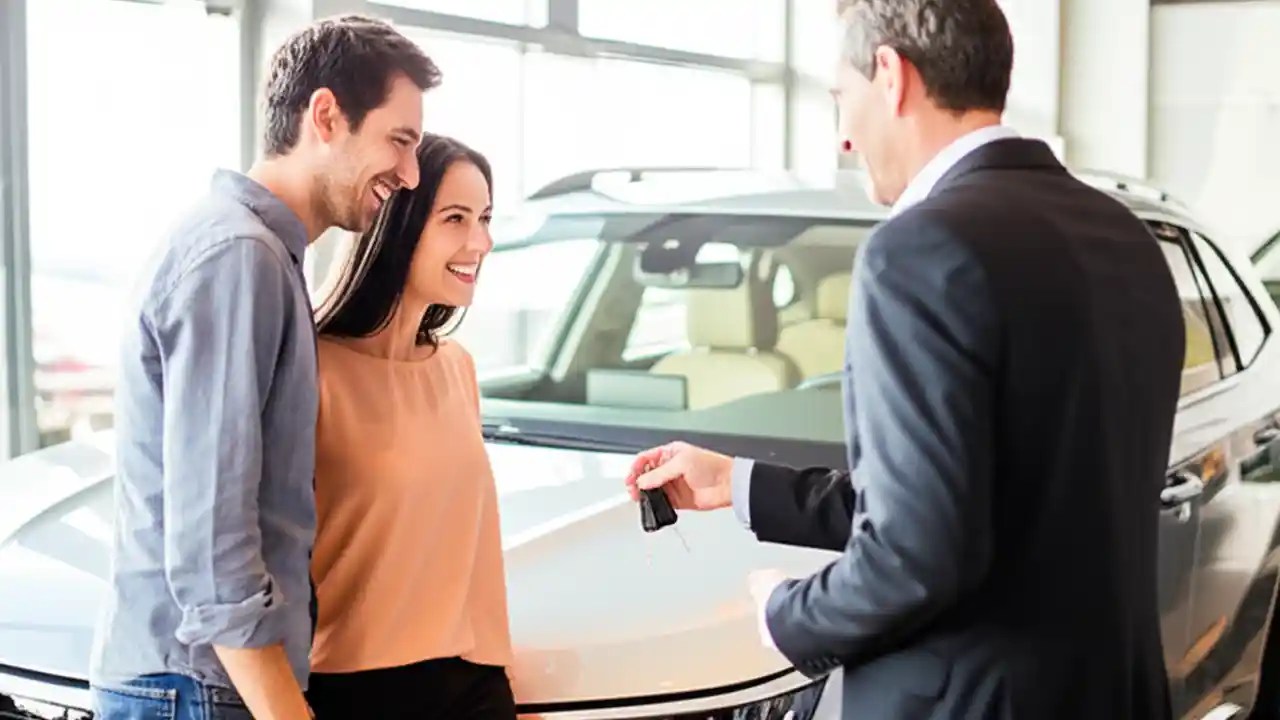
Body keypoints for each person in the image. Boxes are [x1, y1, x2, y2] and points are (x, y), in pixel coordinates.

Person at [625, 1, 1183, 718]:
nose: (844, 139)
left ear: (890, 75)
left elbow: (917, 555)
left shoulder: (920, 249)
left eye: (840, 99)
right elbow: (978, 501)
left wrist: (784, 612)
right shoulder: (1122, 235)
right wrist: (738, 484)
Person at [90, 15, 440, 720]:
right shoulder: (238, 258)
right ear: (325, 116)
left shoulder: (256, 253)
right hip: (196, 687)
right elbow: (215, 544)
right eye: (399, 142)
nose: (408, 176)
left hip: (196, 683)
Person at [303, 134, 513, 719]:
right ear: (397, 225)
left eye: (485, 218)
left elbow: (472, 556)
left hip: (474, 688)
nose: (481, 242)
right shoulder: (312, 369)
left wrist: (502, 681)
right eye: (455, 219)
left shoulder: (456, 368)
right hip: (348, 694)